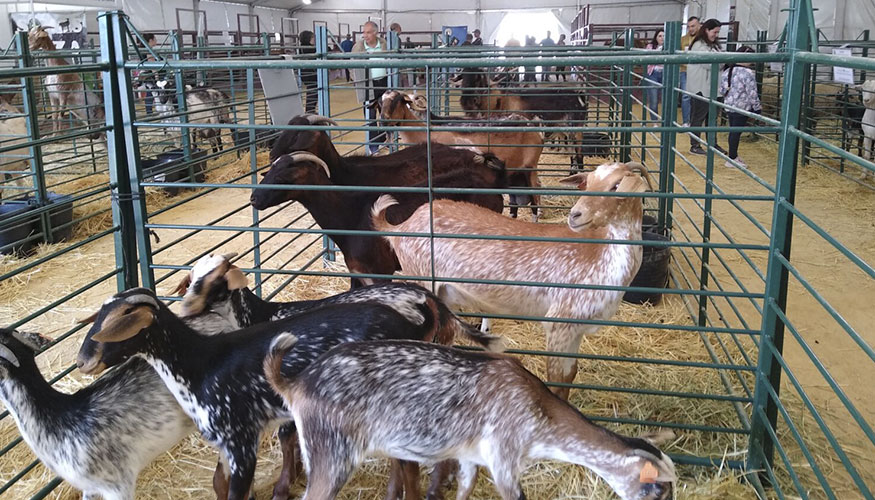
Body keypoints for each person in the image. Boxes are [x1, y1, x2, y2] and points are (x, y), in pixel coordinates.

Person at [686, 18, 725, 156]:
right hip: (701, 88)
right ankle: (695, 145)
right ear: (707, 30)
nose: (716, 35)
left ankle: (712, 143)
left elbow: (719, 61)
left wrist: (721, 60)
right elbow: (710, 63)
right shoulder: (699, 45)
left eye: (718, 32)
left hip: (714, 88)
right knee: (698, 117)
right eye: (715, 32)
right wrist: (722, 61)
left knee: (712, 118)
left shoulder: (714, 45)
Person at [719, 46, 760, 168]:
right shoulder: (747, 73)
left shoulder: (727, 71)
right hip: (742, 107)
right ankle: (732, 158)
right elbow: (752, 91)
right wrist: (757, 107)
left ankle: (733, 156)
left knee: (733, 131)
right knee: (736, 132)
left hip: (729, 105)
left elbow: (721, 90)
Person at [352, 21, 389, 155]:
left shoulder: (385, 44)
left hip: (385, 83)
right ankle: (373, 146)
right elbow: (352, 66)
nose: (365, 35)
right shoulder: (358, 47)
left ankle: (384, 139)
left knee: (386, 114)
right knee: (370, 116)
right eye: (364, 32)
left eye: (368, 32)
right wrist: (358, 81)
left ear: (375, 32)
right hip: (368, 84)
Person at [680, 17, 700, 126]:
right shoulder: (683, 39)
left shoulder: (702, 39)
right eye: (689, 26)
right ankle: (686, 121)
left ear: (699, 25)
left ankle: (695, 121)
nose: (690, 28)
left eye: (693, 26)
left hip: (699, 71)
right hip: (685, 70)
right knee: (686, 95)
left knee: (698, 96)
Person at [644, 29, 664, 124]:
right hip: (653, 74)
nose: (662, 38)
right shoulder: (650, 46)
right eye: (660, 36)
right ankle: (654, 121)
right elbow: (649, 60)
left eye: (664, 36)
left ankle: (665, 120)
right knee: (654, 99)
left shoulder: (669, 47)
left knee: (666, 99)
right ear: (656, 37)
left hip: (665, 74)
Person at [298, 30, 318, 114]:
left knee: (313, 92)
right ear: (308, 38)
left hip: (307, 74)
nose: (314, 39)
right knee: (313, 92)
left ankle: (311, 110)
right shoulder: (307, 48)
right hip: (310, 74)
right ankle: (310, 111)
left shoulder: (302, 48)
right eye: (313, 37)